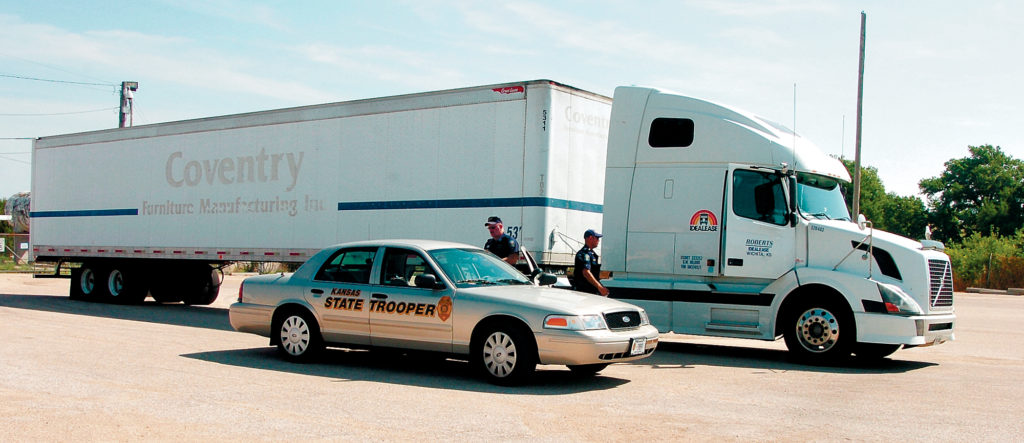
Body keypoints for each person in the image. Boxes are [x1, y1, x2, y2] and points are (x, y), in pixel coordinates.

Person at [573, 229, 609, 296]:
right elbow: (586, 272)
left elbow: (594, 273)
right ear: (590, 238)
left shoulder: (591, 253)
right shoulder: (584, 254)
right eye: (597, 238)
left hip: (591, 291)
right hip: (584, 292)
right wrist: (600, 287)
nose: (598, 240)